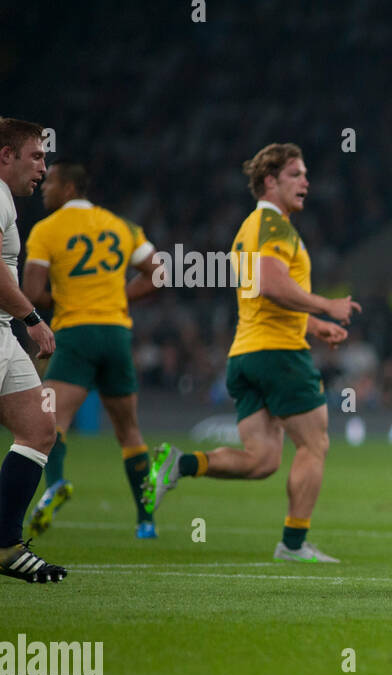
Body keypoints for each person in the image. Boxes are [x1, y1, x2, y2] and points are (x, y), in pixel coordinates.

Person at [145, 143, 360, 561]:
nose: (306, 182)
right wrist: (325, 305)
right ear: (270, 181)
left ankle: (179, 465)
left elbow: (264, 297)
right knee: (314, 445)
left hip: (246, 355)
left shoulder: (249, 229)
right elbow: (270, 283)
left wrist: (314, 325)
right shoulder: (274, 226)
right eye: (295, 174)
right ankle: (293, 545)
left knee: (261, 460)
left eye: (305, 174)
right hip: (278, 355)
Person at [21, 161, 164, 538]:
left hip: (76, 335)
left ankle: (56, 484)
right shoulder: (121, 225)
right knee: (130, 432)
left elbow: (31, 293)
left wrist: (63, 298)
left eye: (49, 182)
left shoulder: (46, 230)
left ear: (69, 188)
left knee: (49, 418)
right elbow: (160, 272)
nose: (43, 188)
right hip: (116, 335)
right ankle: (146, 520)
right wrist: (118, 295)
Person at [0, 117, 65, 582]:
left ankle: (5, 545)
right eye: (36, 156)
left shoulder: (6, 201)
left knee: (39, 428)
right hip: (9, 324)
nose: (43, 165)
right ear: (6, 155)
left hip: (3, 331)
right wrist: (33, 319)